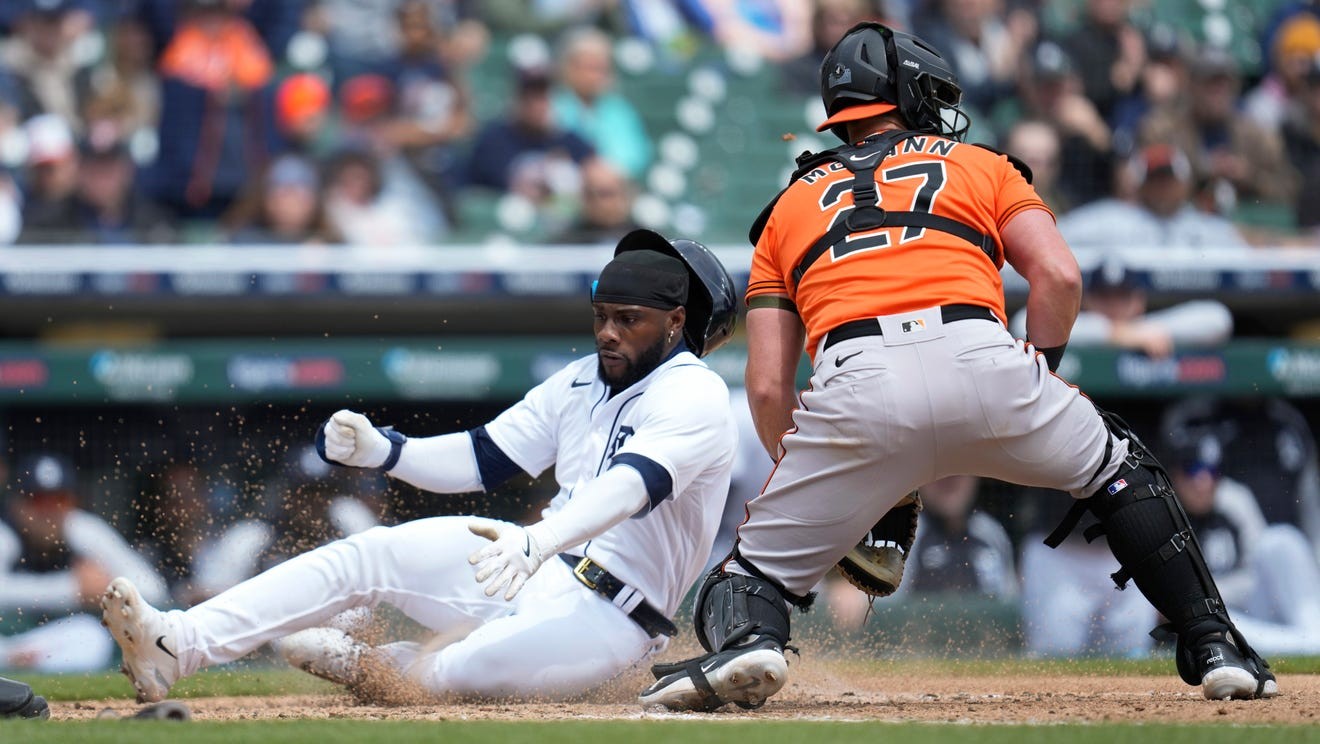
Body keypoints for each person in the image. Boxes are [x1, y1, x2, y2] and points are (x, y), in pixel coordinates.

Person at [640, 22, 1278, 712]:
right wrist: (1039, 372)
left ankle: (752, 641)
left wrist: (834, 494)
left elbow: (767, 387)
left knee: (744, 579)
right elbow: (1059, 277)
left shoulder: (787, 208)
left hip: (855, 382)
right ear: (904, 92)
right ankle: (1214, 644)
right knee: (1120, 471)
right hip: (984, 353)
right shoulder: (980, 164)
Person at [100, 229, 739, 704]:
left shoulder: (695, 391)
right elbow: (485, 456)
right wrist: (389, 451)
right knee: (366, 554)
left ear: (679, 321)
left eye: (628, 320)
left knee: (457, 673)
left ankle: (370, 664)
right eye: (602, 317)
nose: (608, 332)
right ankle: (176, 644)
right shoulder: (580, 381)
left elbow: (631, 488)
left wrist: (538, 538)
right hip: (527, 564)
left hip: (610, 616)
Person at [0, 453, 167, 672]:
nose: (50, 511)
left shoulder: (83, 530)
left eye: (60, 499)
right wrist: (72, 588)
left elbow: (155, 588)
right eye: (39, 500)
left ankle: (26, 676)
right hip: (6, 641)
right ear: (18, 504)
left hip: (52, 641)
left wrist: (111, 590)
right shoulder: (5, 534)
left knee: (89, 635)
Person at [1165, 432, 1320, 656]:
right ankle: (1309, 644)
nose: (1203, 482)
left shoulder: (1234, 498)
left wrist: (1211, 597)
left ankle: (1312, 631)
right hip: (1207, 621)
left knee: (1280, 538)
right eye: (1193, 470)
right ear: (1174, 474)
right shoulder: (1161, 510)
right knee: (1214, 624)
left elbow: (1255, 571)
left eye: (1212, 471)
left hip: (1245, 605)